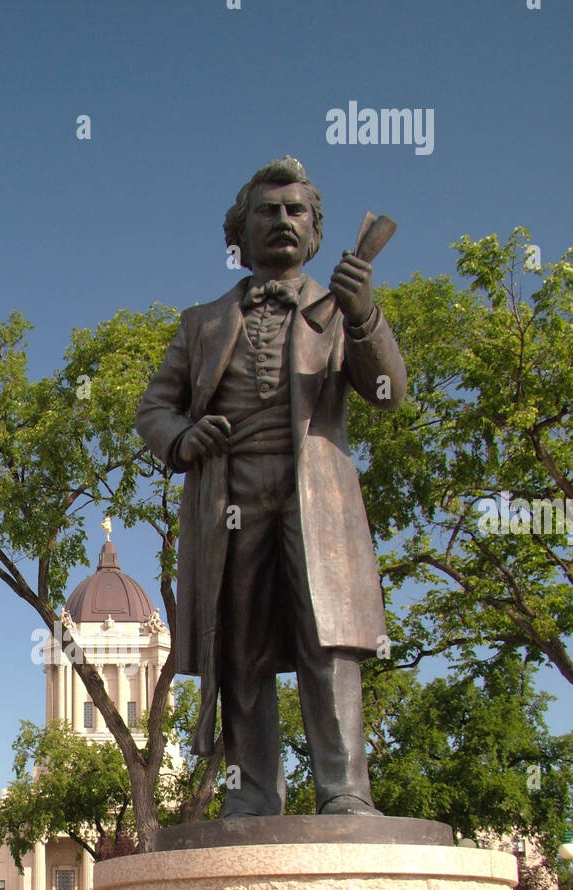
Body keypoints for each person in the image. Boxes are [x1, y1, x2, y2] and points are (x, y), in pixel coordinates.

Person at [136, 156, 406, 816]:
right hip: (227, 496)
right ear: (240, 233)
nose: (282, 220)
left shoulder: (341, 310)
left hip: (315, 495)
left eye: (296, 211)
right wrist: (181, 438)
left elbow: (388, 391)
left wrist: (364, 314)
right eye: (267, 210)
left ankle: (345, 793)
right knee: (241, 648)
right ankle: (253, 798)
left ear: (315, 232)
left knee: (328, 640)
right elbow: (154, 408)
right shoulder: (200, 323)